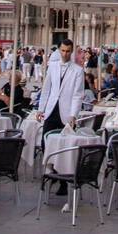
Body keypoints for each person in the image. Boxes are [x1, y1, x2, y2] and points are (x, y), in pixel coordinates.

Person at [36, 39, 84, 196]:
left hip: (66, 113)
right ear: (59, 50)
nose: (65, 54)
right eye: (63, 50)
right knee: (45, 143)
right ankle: (52, 171)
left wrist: (73, 115)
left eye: (68, 51)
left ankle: (63, 182)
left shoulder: (78, 70)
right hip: (51, 110)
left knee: (64, 148)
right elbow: (46, 89)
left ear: (71, 52)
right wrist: (40, 108)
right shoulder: (53, 66)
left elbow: (78, 94)